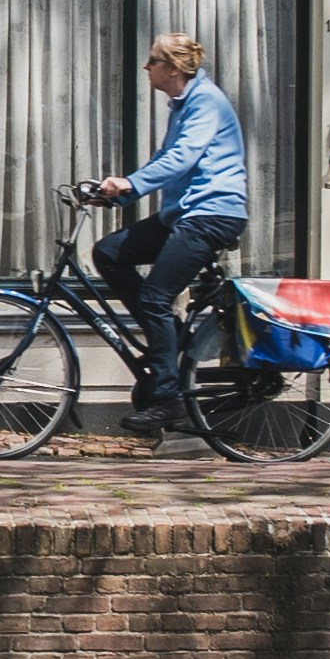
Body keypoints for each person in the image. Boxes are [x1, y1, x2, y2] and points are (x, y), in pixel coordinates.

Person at [90, 36, 247, 408]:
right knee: (109, 253)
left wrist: (130, 182)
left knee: (156, 297)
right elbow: (167, 157)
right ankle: (169, 341)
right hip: (185, 214)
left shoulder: (205, 100)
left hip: (212, 213)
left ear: (173, 69)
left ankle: (166, 399)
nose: (146, 68)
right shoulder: (183, 105)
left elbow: (183, 157)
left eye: (153, 61)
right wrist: (119, 194)